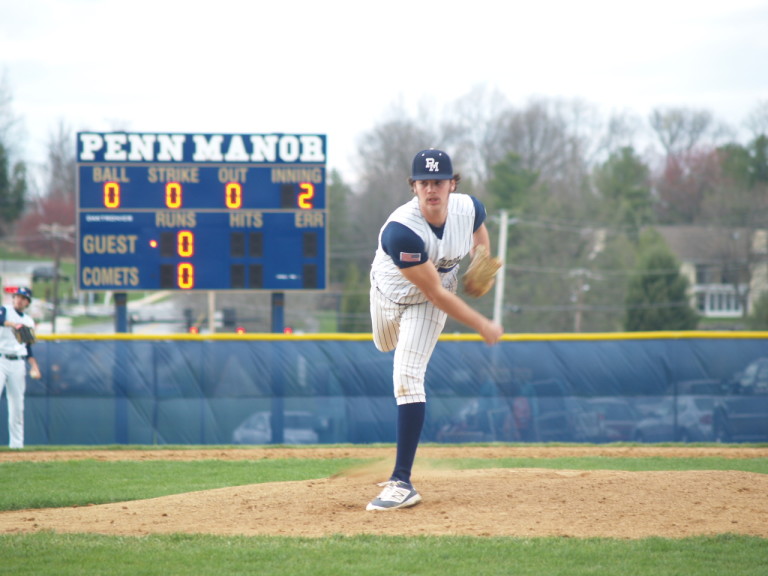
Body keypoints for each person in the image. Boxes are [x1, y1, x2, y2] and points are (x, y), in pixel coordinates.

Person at [367, 148, 504, 511]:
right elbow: (433, 290)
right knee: (384, 345)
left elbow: (479, 234)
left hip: (430, 302)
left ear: (452, 184)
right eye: (424, 182)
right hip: (389, 296)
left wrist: (481, 260)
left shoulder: (468, 208)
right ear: (413, 187)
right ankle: (400, 478)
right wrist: (481, 324)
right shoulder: (402, 231)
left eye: (439, 181)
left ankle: (401, 481)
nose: (432, 188)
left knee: (406, 376)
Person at [0, 286, 41, 449]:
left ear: (27, 302)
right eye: (17, 296)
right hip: (1, 359)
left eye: (24, 298)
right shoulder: (5, 310)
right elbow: (1, 320)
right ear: (13, 298)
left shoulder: (28, 321)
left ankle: (17, 446)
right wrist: (14, 324)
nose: (20, 299)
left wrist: (34, 366)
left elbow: (28, 347)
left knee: (17, 405)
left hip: (18, 363)